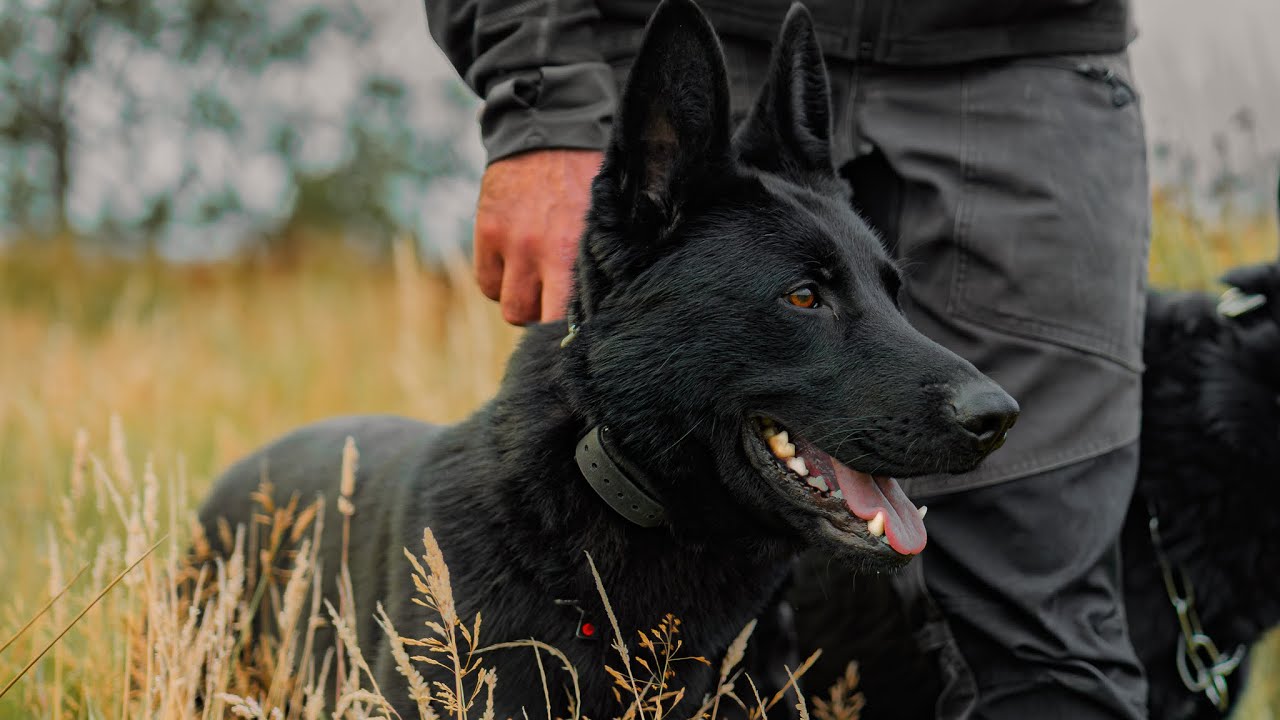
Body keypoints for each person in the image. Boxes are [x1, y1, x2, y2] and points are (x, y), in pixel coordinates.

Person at [422, 1, 1151, 718]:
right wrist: (539, 100)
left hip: (1023, 57)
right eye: (809, 300)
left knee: (1042, 626)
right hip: (679, 25)